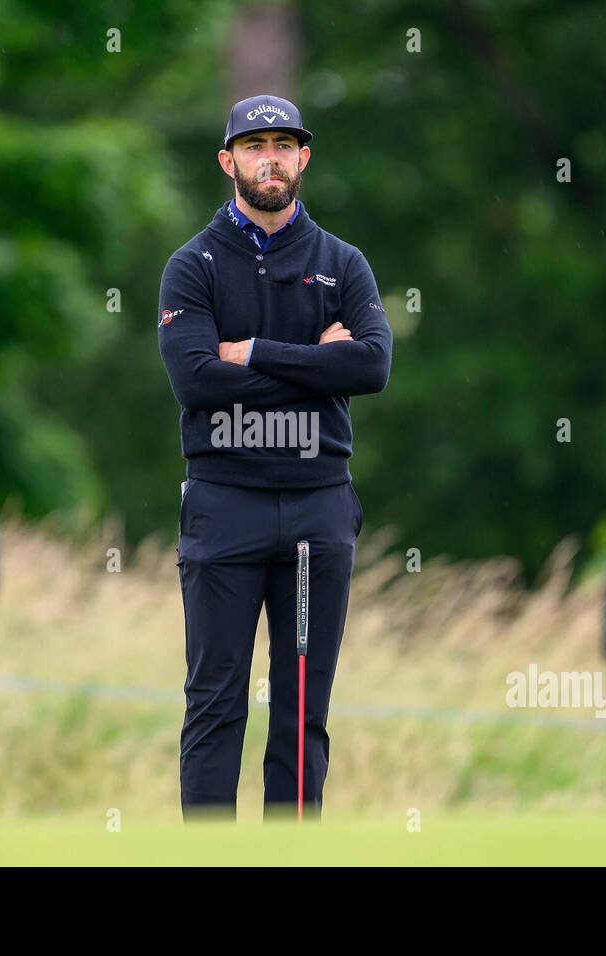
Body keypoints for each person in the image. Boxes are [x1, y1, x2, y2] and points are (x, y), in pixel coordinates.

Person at [157, 93, 392, 819]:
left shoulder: (340, 263)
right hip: (224, 502)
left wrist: (253, 354)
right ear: (229, 161)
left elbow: (372, 367)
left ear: (303, 159)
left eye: (284, 145)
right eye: (255, 146)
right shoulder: (191, 265)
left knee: (299, 710)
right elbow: (196, 381)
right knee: (216, 705)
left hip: (317, 509)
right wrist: (314, 364)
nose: (271, 158)